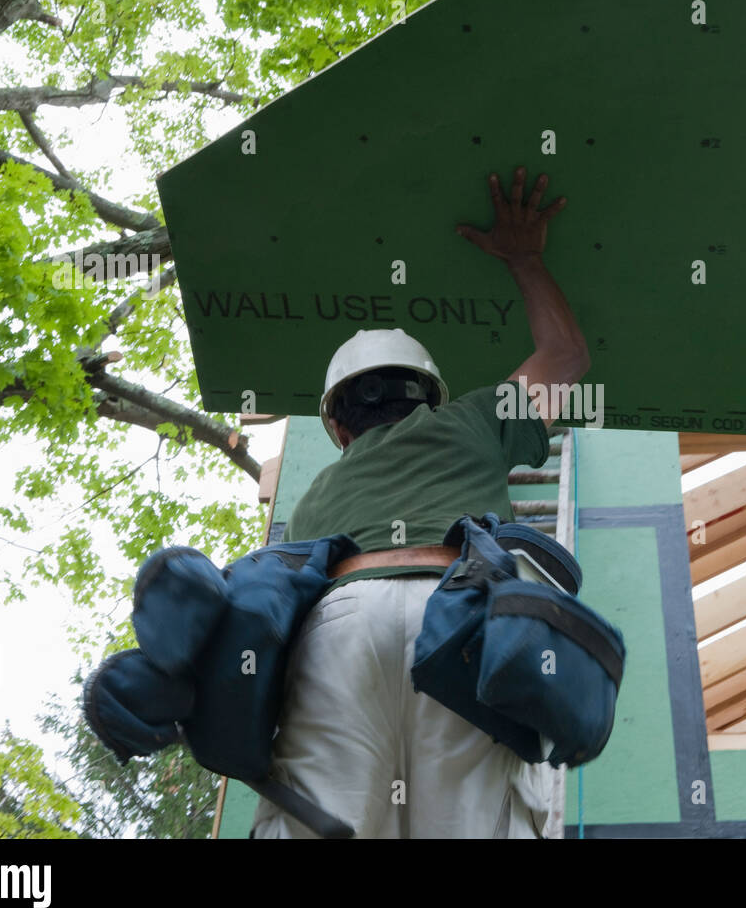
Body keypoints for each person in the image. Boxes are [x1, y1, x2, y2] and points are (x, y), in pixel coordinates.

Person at [251, 167, 588, 838]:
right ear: (426, 393)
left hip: (336, 629)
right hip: (457, 620)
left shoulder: (315, 500)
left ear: (339, 427)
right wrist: (523, 257)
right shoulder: (470, 419)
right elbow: (566, 356)